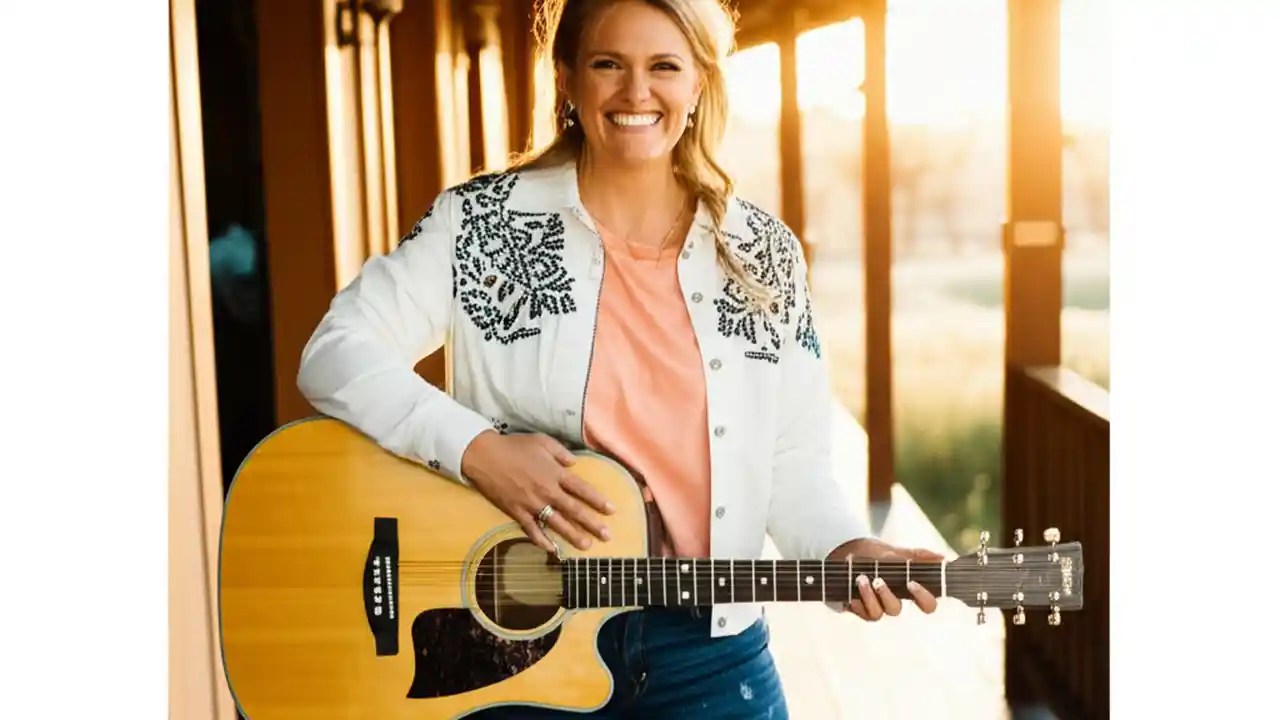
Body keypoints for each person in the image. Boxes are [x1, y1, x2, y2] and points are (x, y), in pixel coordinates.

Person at [297, 0, 943, 717]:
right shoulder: (480, 224)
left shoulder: (764, 255)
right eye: (609, 64)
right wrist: (477, 450)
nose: (637, 92)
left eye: (664, 66)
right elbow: (335, 352)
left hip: (709, 653)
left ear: (698, 83)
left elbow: (793, 460)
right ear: (568, 77)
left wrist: (842, 545)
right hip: (511, 644)